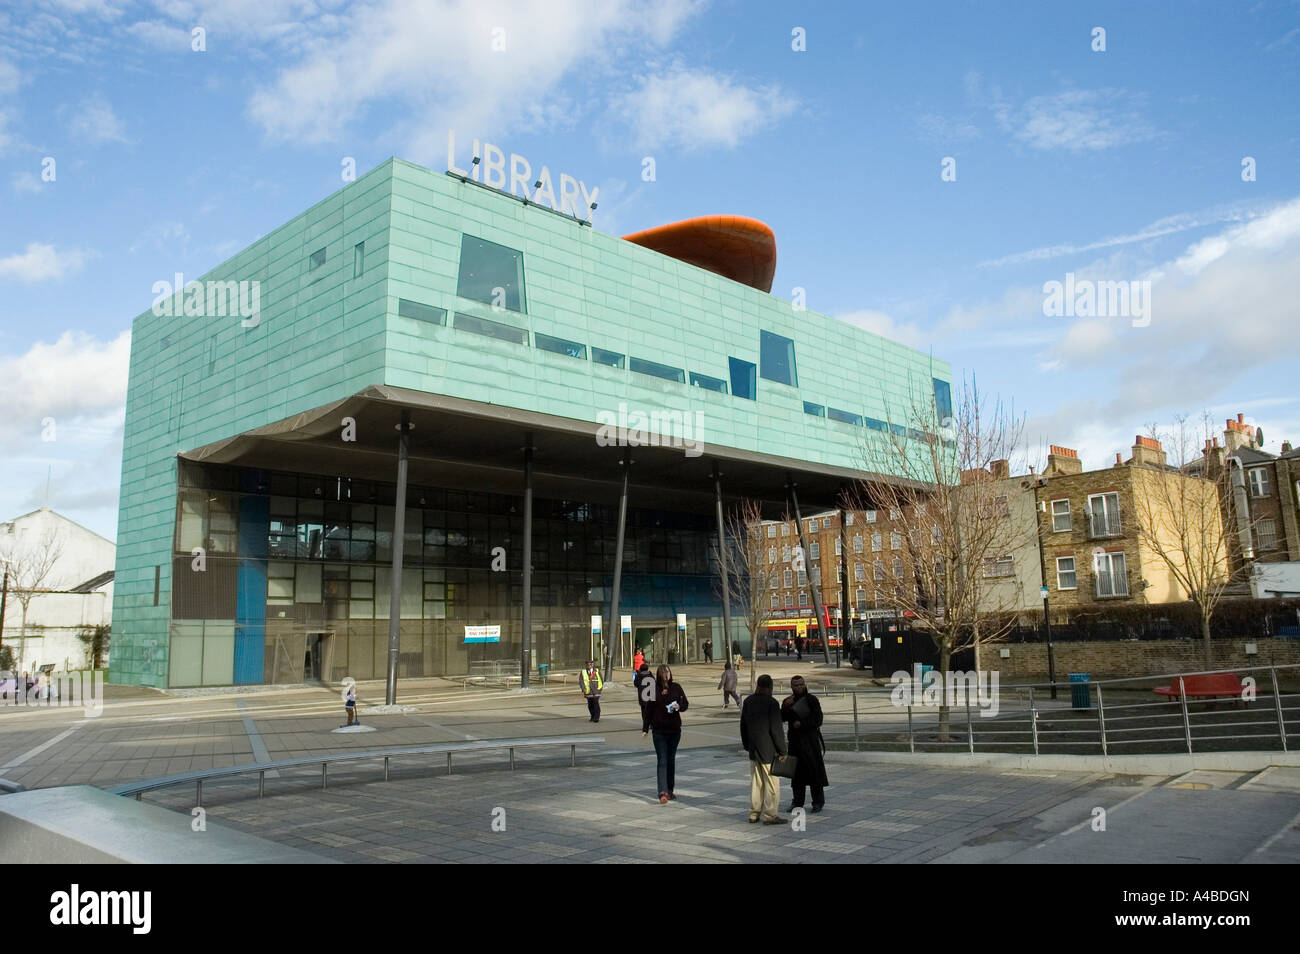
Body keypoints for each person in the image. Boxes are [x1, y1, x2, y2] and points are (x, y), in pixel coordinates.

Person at [741, 674, 788, 825]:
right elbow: (776, 729)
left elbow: (743, 725)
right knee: (772, 784)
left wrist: (747, 745)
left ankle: (754, 813)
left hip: (754, 749)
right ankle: (771, 815)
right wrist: (783, 750)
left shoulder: (748, 701)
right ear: (770, 687)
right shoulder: (772, 703)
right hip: (768, 750)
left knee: (756, 783)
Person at [642, 664, 688, 803]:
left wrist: (679, 706)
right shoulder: (653, 689)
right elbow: (648, 710)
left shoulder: (676, 687)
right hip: (659, 731)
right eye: (663, 672)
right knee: (662, 760)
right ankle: (662, 791)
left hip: (674, 730)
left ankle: (670, 790)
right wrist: (645, 728)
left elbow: (685, 703)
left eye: (668, 671)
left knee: (671, 760)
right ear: (659, 674)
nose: (666, 674)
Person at [782, 675, 828, 813]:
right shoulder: (789, 701)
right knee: (797, 776)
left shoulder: (811, 700)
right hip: (795, 743)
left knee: (814, 774)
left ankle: (818, 802)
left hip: (810, 742)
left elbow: (818, 719)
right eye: (796, 685)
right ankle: (797, 802)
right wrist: (785, 707)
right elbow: (782, 718)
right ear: (792, 687)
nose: (800, 687)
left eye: (801, 684)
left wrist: (802, 724)